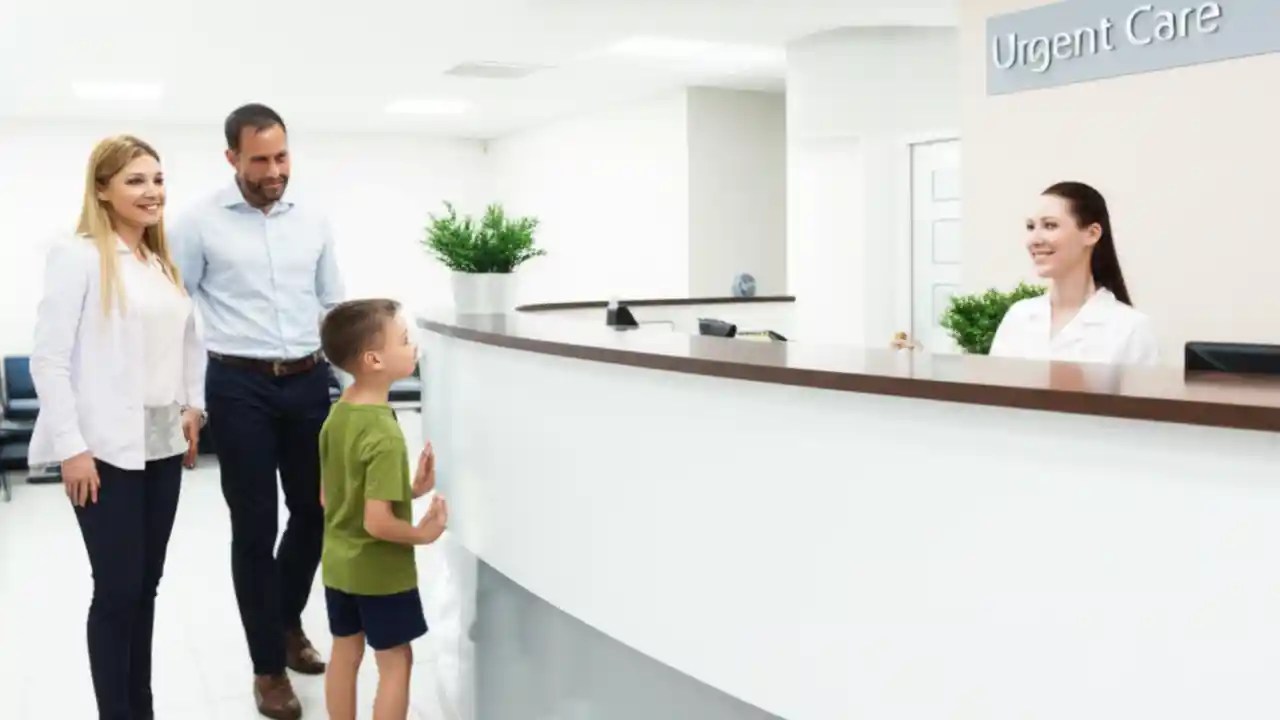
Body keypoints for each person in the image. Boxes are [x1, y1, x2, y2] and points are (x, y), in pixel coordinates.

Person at [169, 103, 344, 720]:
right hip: (238, 384)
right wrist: (189, 399)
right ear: (232, 158)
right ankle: (267, 667)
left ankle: (285, 621)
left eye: (282, 156)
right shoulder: (197, 222)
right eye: (260, 159)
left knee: (315, 513)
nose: (274, 171)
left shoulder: (313, 219)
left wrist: (350, 389)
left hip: (306, 381)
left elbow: (332, 304)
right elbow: (177, 312)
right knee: (254, 526)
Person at [29, 134, 205, 720]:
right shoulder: (78, 255)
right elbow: (48, 360)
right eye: (134, 180)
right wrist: (72, 450)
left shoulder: (159, 261)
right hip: (102, 449)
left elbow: (185, 344)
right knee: (118, 590)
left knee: (145, 588)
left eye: (157, 179)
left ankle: (140, 707)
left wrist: (191, 408)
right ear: (101, 190)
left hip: (161, 443)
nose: (151, 191)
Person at [317, 299, 448, 720]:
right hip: (379, 575)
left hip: (338, 566)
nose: (414, 347)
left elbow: (333, 497)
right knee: (396, 661)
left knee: (345, 651)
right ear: (374, 359)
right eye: (406, 340)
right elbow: (377, 522)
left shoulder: (337, 416)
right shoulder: (385, 434)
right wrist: (423, 534)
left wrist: (407, 490)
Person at [988, 181, 1159, 365]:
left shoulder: (1130, 328)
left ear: (1092, 234)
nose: (1034, 240)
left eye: (1050, 225)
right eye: (1031, 227)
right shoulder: (1019, 317)